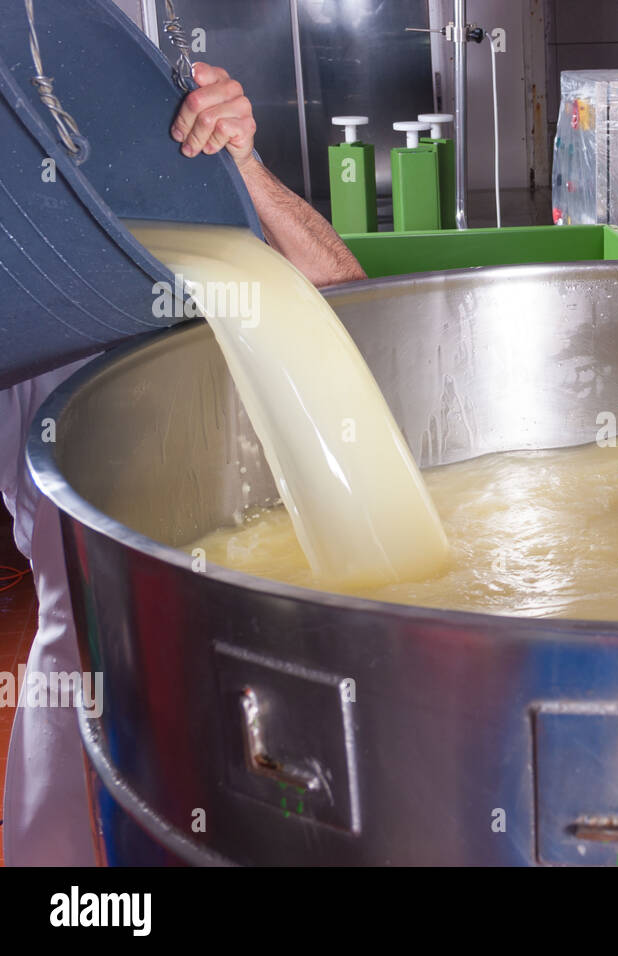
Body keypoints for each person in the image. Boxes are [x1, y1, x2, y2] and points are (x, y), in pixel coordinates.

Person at [0, 62, 365, 865]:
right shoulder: (27, 268)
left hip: (254, 639)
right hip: (99, 651)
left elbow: (349, 299)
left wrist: (246, 164)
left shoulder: (207, 201)